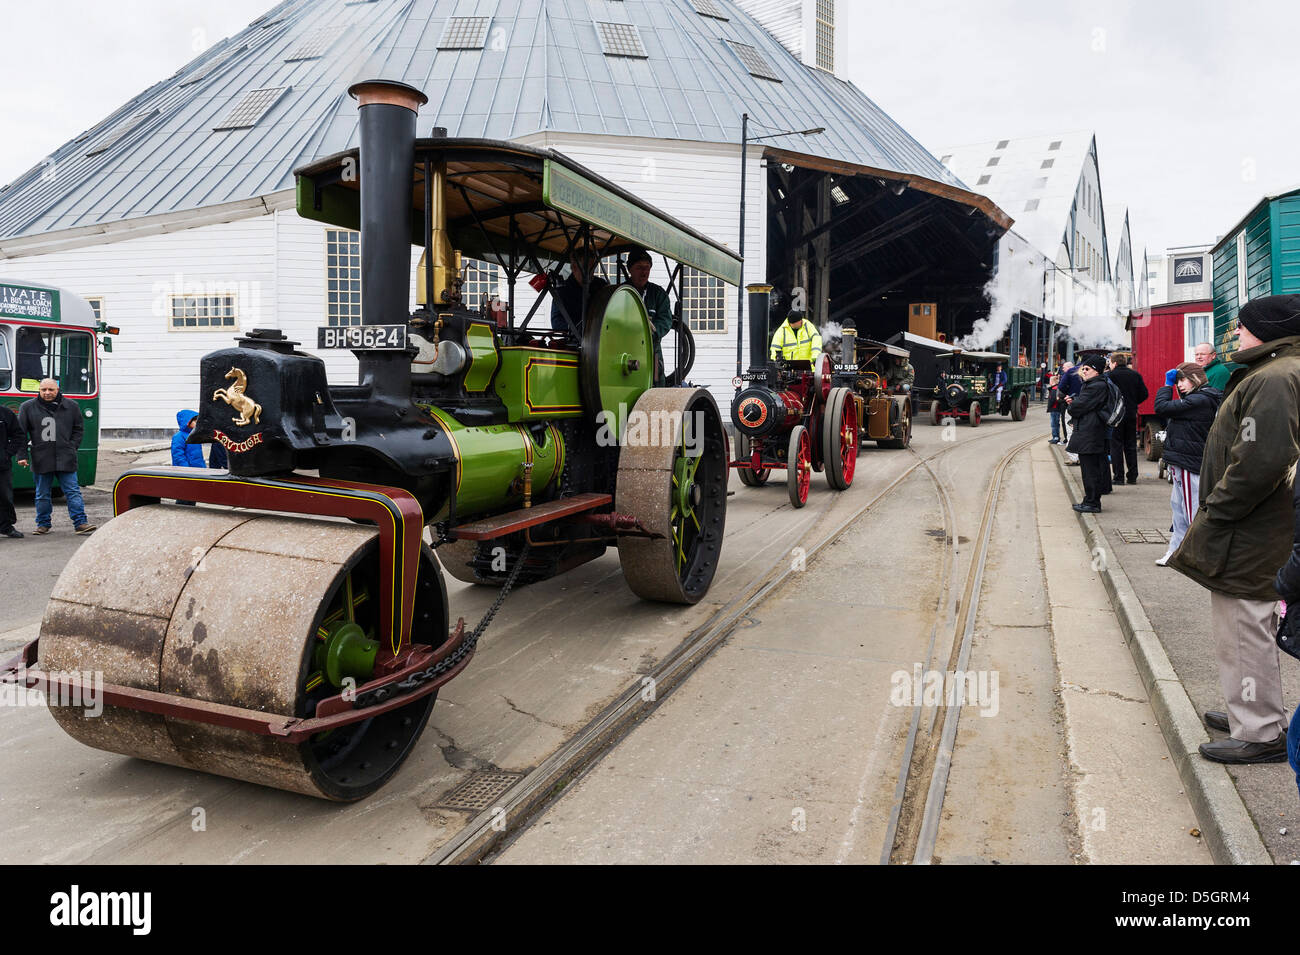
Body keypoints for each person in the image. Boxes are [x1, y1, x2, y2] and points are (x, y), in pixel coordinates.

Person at [1168, 294, 1300, 764]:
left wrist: (1216, 511)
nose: (1235, 336)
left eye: (1242, 328)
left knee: (1243, 622)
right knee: (1248, 621)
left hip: (1250, 529)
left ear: (1265, 330)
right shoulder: (1279, 369)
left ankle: (1261, 730)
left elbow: (1261, 461)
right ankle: (1252, 708)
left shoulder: (1275, 376)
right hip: (1262, 526)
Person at [1153, 363, 1221, 566]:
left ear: (1196, 379)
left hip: (1190, 462)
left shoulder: (1200, 399)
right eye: (1178, 381)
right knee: (1180, 510)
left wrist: (1166, 385)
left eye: (1183, 380)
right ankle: (1177, 553)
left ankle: (1194, 556)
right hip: (1185, 461)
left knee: (1190, 512)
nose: (1179, 385)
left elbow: (1161, 407)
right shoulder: (1203, 397)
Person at [16, 378, 95, 535]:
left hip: (66, 457)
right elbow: (21, 434)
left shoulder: (72, 406)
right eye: (43, 390)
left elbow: (78, 429)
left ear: (57, 390)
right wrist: (22, 455)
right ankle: (43, 524)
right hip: (41, 457)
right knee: (42, 494)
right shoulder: (27, 407)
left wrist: (71, 446)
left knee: (73, 491)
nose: (47, 393)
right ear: (39, 390)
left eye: (51, 389)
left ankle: (80, 523)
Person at [1064, 355, 1109, 512]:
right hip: (1091, 431)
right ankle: (1089, 500)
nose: (1084, 370)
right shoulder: (1095, 384)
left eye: (1087, 368)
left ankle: (1092, 502)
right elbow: (1084, 404)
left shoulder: (1095, 386)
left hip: (1090, 432)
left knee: (1090, 470)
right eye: (1083, 368)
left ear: (1096, 371)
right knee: (1090, 469)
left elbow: (1079, 407)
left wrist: (1072, 404)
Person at [625, 248, 673, 385]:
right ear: (630, 269)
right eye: (639, 267)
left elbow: (665, 320)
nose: (644, 272)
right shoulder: (621, 293)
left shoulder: (658, 294)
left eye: (647, 267)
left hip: (653, 353)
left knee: (656, 388)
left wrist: (648, 332)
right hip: (626, 351)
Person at [1105, 352, 1149, 485]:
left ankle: (1118, 477)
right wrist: (1133, 402)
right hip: (1130, 413)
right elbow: (1144, 394)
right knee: (1130, 445)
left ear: (1114, 363)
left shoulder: (1109, 376)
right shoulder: (1135, 375)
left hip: (1115, 415)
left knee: (1116, 445)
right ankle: (1132, 476)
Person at [549, 246, 608, 335]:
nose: (591, 273)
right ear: (574, 267)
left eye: (592, 269)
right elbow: (556, 322)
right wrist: (579, 329)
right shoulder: (563, 291)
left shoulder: (601, 285)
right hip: (575, 343)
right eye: (586, 269)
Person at [0, 402, 25, 538]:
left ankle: (6, 527)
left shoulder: (5, 413)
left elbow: (18, 435)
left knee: (5, 497)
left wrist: (7, 454)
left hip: (2, 465)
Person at [1046, 373, 1064, 444]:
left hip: (1054, 409)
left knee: (1054, 424)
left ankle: (1055, 437)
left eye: (1050, 381)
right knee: (1055, 423)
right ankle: (1056, 437)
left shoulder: (1054, 389)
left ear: (1052, 382)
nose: (1049, 382)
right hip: (1056, 408)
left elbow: (1052, 400)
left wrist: (1049, 408)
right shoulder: (1056, 388)